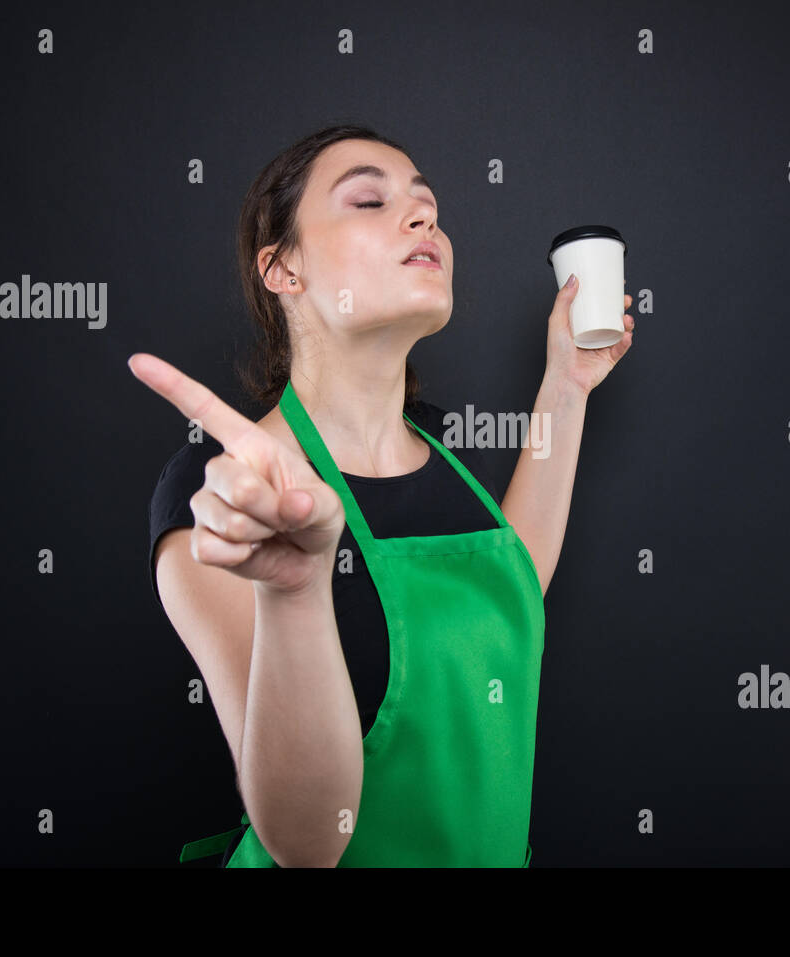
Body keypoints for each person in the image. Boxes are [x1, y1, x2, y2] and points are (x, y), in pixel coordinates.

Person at [129, 124, 635, 867]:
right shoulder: (222, 492)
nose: (424, 215)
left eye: (427, 204)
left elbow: (512, 583)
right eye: (370, 200)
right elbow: (305, 842)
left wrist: (567, 385)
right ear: (283, 269)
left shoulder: (439, 449)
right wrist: (296, 587)